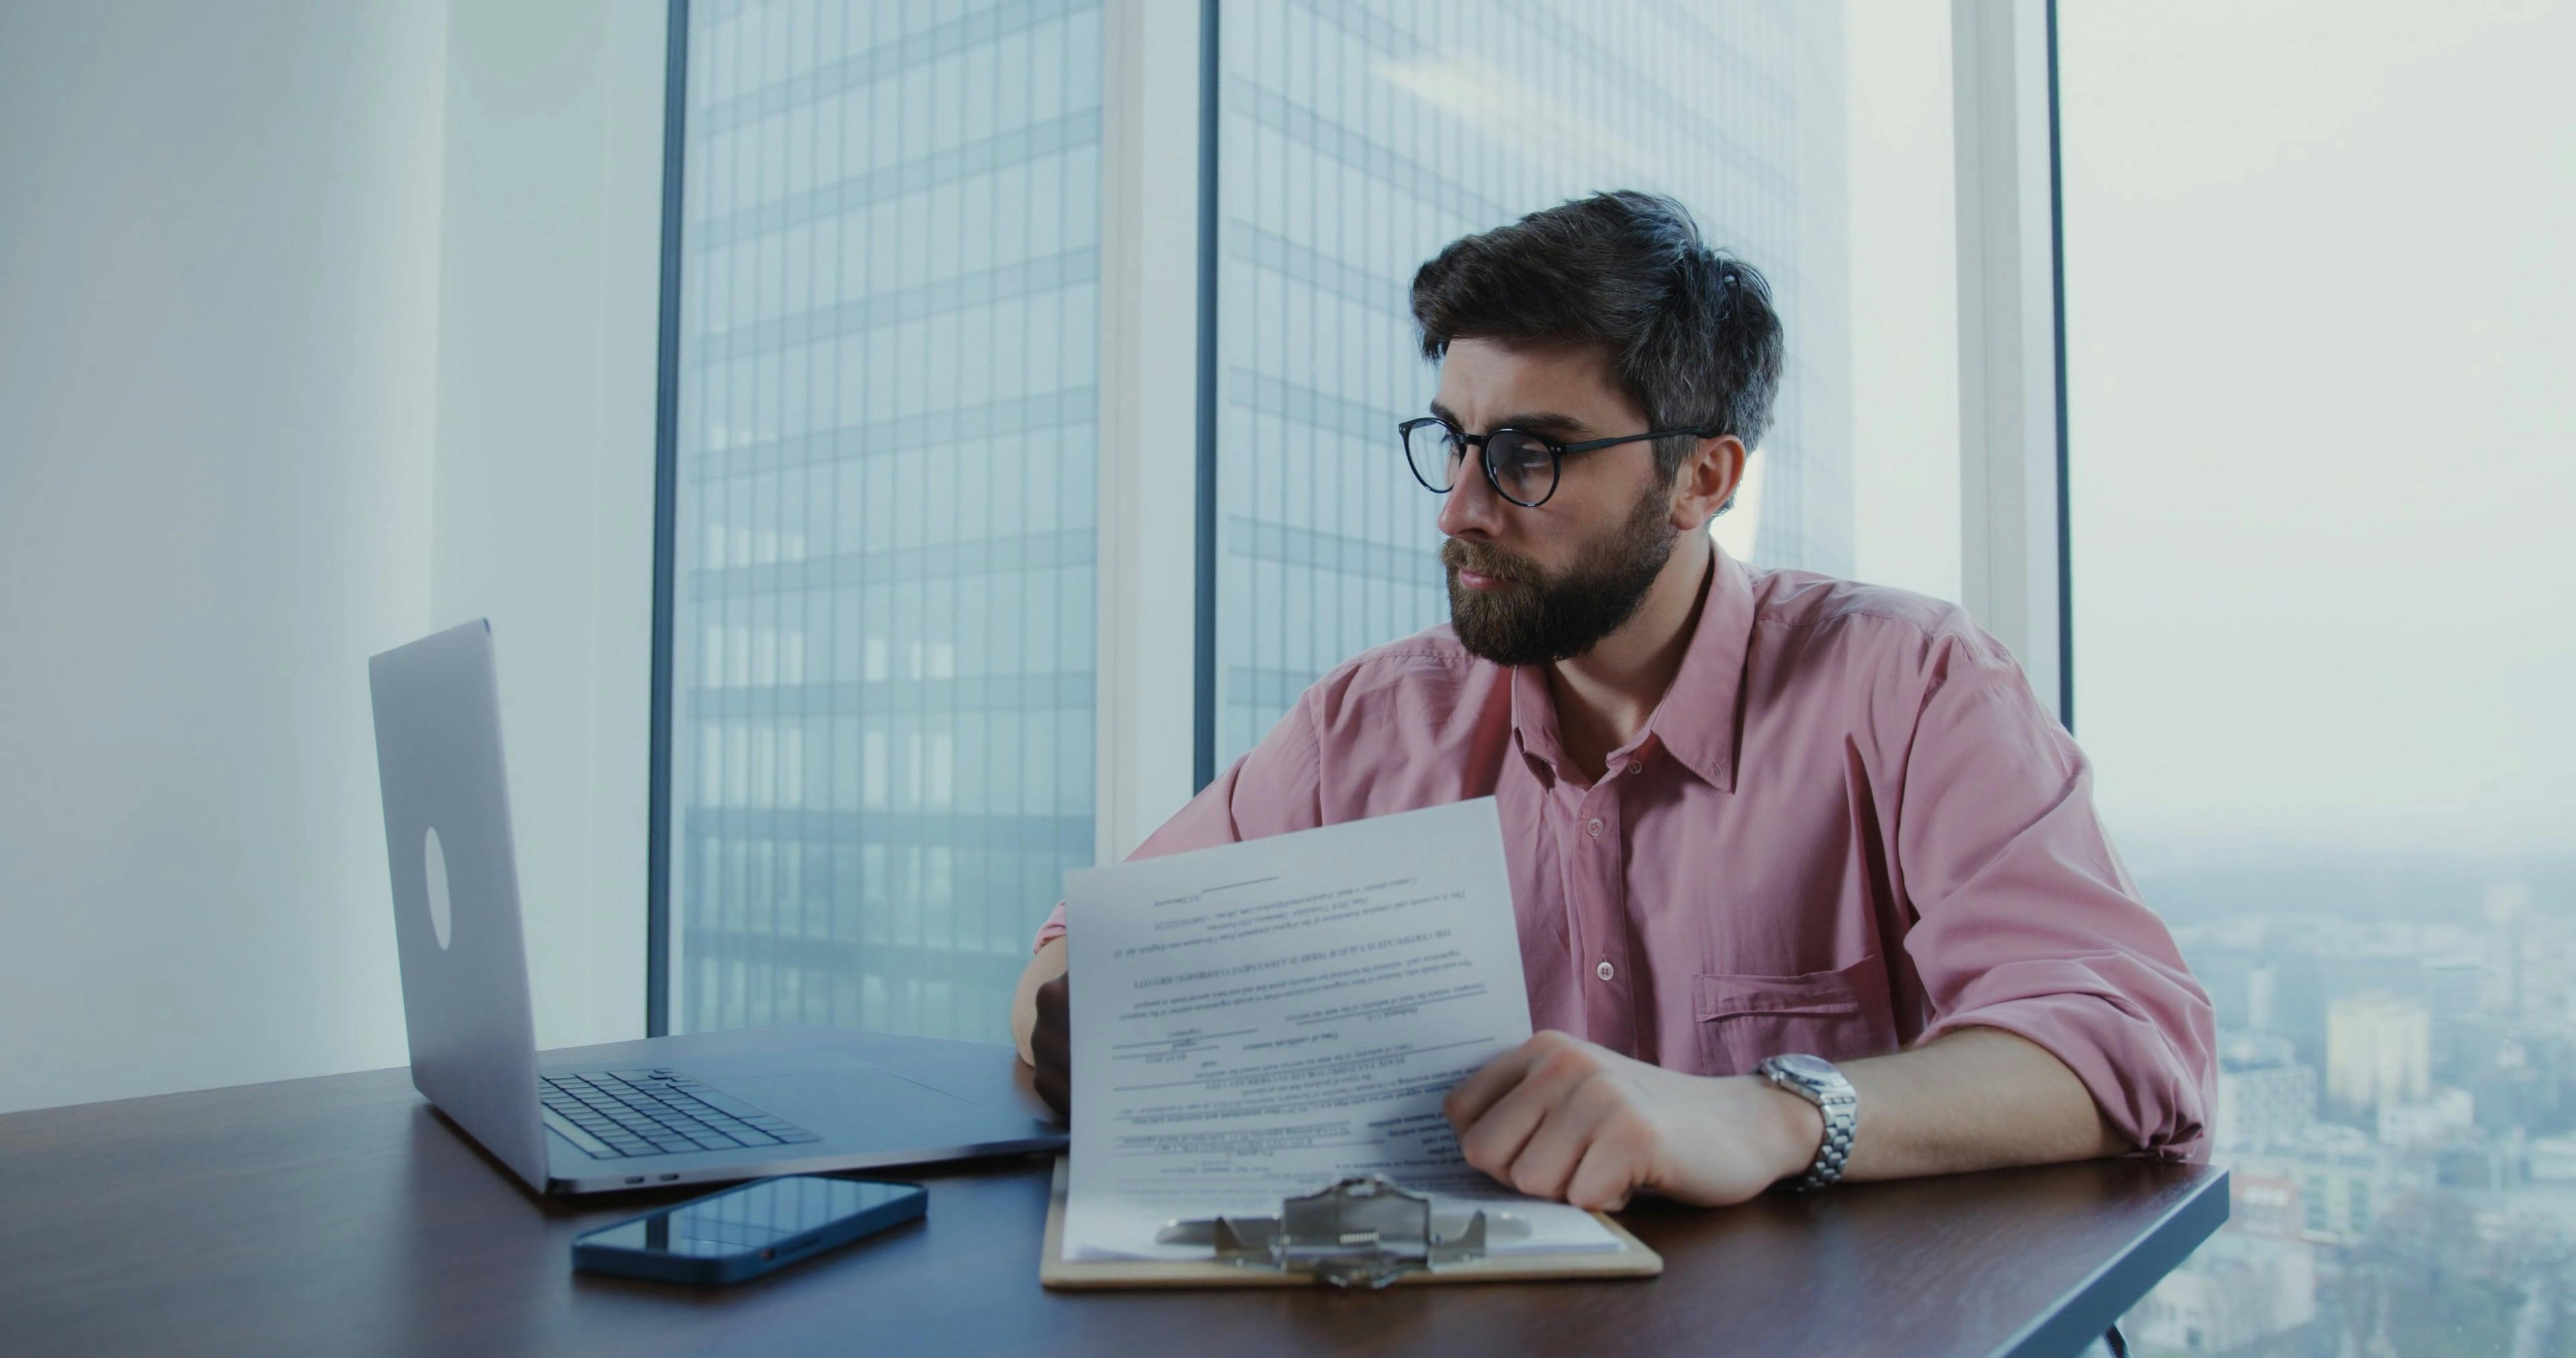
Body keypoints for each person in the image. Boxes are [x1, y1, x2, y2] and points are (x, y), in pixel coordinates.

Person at [1012, 190, 2214, 1216]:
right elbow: (1071, 950)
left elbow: (2127, 1041)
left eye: (1529, 455)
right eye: (1454, 441)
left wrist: (1768, 1116)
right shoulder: (1369, 727)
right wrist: (1090, 1026)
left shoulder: (1913, 687)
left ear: (1702, 476)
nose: (1460, 509)